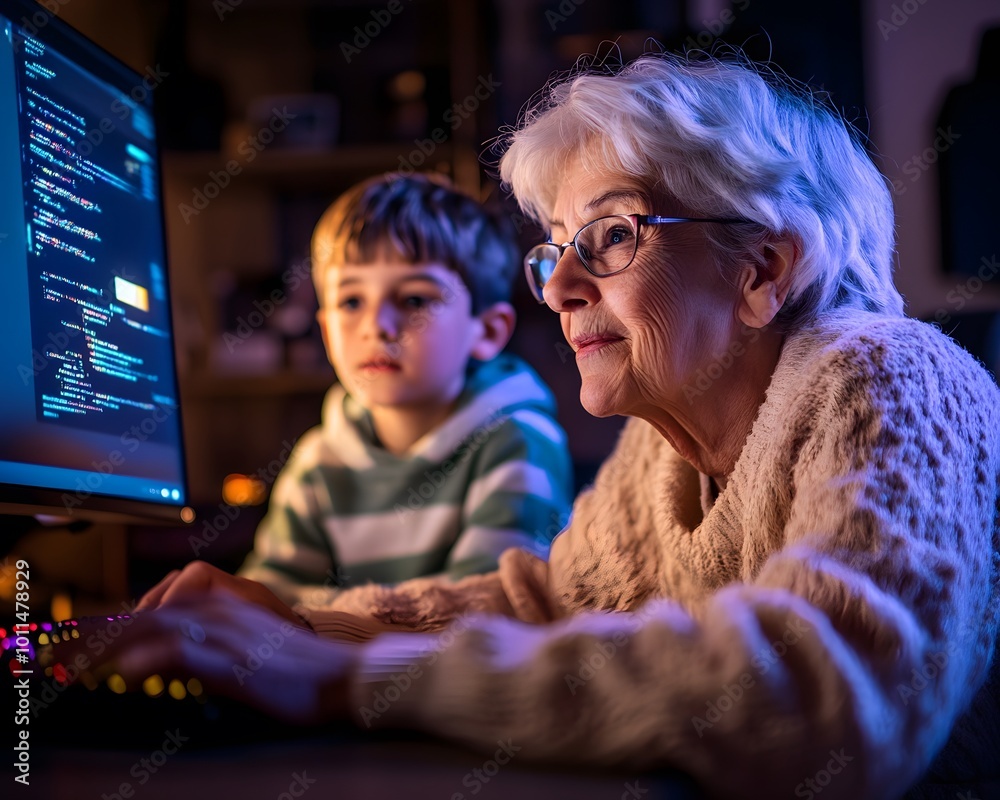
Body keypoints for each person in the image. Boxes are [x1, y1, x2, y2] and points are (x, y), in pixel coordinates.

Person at [92, 53, 999, 799]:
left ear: (761, 269)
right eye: (556, 248)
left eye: (611, 236)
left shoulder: (890, 376)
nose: (559, 288)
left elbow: (825, 693)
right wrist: (297, 627)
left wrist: (346, 678)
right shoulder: (660, 452)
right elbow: (545, 605)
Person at [234, 172, 573, 606]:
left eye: (414, 300)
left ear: (487, 331)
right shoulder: (317, 462)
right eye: (351, 302)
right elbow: (262, 604)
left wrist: (313, 616)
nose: (376, 326)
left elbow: (482, 609)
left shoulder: (519, 442)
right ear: (326, 330)